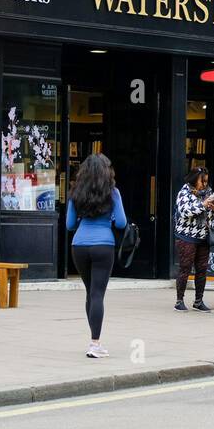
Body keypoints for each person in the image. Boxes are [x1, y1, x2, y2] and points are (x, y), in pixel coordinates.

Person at [65, 153, 127, 359]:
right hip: (103, 245)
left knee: (89, 292)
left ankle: (94, 341)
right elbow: (121, 223)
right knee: (98, 294)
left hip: (79, 245)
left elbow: (69, 225)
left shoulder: (75, 193)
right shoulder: (113, 193)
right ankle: (95, 343)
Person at [173, 167, 214, 312]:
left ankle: (198, 301)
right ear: (194, 179)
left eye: (206, 181)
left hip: (203, 236)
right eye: (202, 181)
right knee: (185, 268)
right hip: (186, 236)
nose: (205, 184)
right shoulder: (184, 193)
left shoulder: (208, 193)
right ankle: (179, 301)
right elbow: (185, 211)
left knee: (202, 270)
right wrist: (203, 205)